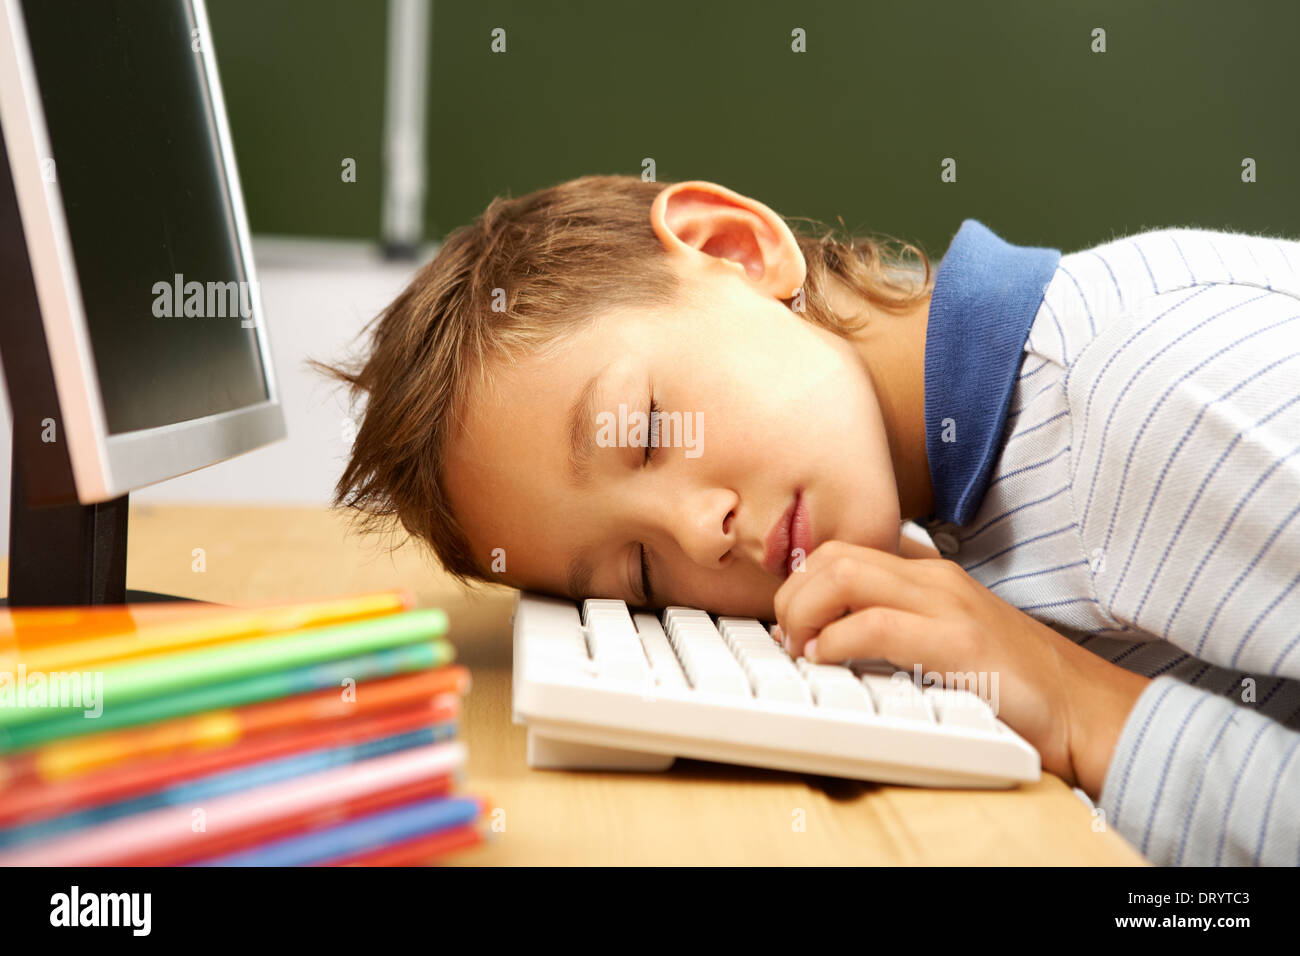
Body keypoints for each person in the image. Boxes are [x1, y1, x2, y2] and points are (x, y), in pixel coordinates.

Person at [316, 175, 1300, 865]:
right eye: (639, 575)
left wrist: (1081, 708)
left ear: (735, 249)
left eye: (649, 432)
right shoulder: (962, 493)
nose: (700, 535)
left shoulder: (1150, 399)